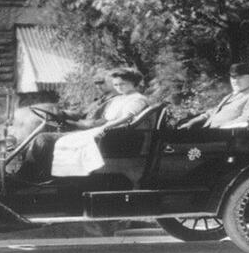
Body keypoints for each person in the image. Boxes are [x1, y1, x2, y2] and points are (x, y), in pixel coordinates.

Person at [13, 68, 149, 181]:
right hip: (104, 134)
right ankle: (32, 175)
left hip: (112, 138)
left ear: (134, 83)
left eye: (123, 84)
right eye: (117, 85)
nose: (119, 87)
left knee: (44, 139)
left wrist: (105, 128)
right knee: (41, 139)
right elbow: (107, 119)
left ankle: (36, 177)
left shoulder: (137, 99)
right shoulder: (120, 99)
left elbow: (127, 118)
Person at [180, 63, 249, 130]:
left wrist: (221, 127)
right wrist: (193, 121)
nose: (235, 81)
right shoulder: (230, 96)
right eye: (233, 77)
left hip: (226, 136)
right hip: (208, 132)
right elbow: (215, 111)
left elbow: (246, 118)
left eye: (240, 78)